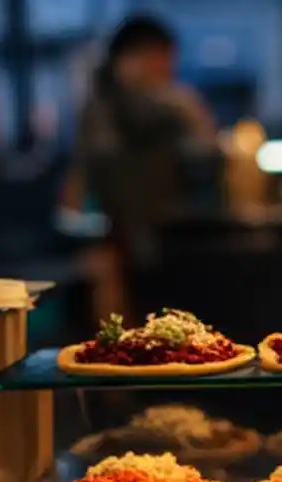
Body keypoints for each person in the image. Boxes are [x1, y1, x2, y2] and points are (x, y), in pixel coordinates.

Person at [59, 15, 218, 319]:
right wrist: (89, 245)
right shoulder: (100, 113)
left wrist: (191, 116)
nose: (163, 72)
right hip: (114, 247)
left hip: (174, 244)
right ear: (126, 60)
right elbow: (77, 191)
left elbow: (206, 164)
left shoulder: (176, 108)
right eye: (155, 62)